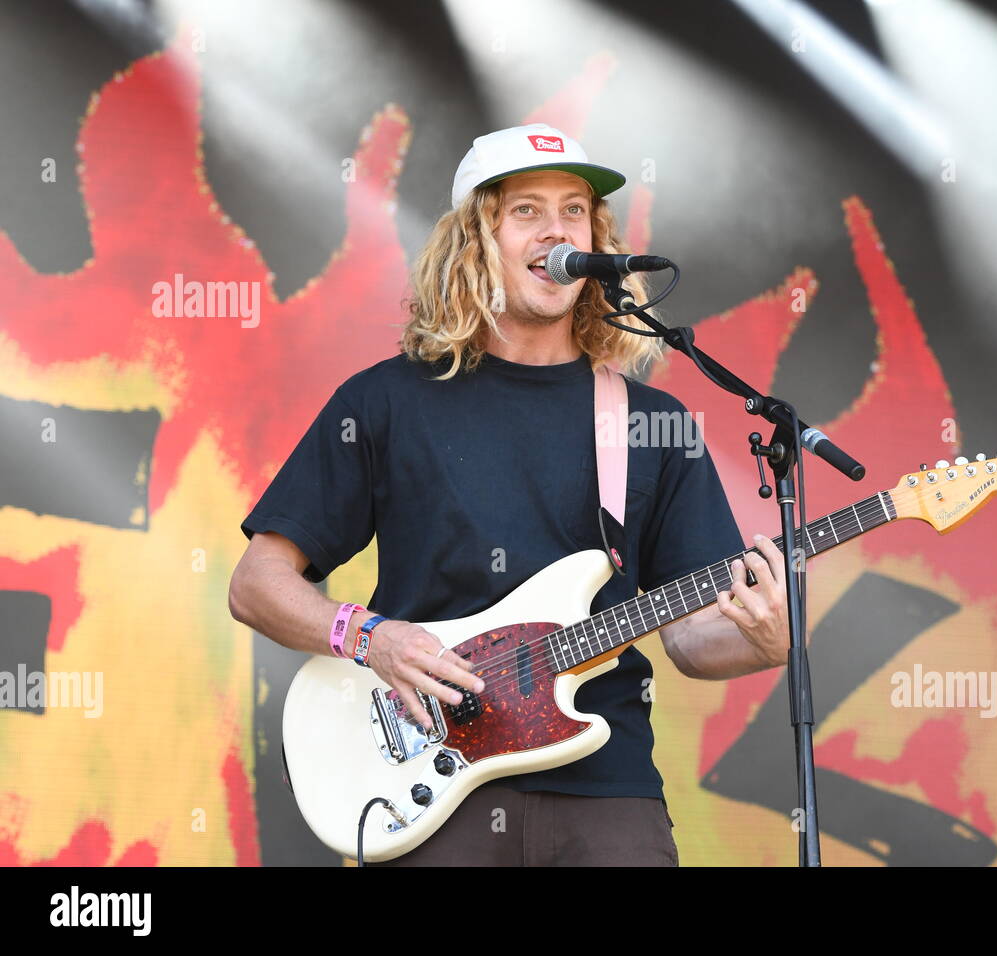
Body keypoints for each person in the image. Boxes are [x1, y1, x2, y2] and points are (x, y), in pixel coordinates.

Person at [227, 123, 790, 866]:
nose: (557, 230)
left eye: (574, 211)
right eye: (526, 210)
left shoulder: (652, 423)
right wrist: (369, 636)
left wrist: (766, 641)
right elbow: (255, 584)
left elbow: (688, 637)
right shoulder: (386, 403)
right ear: (476, 239)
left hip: (607, 794)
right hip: (434, 788)